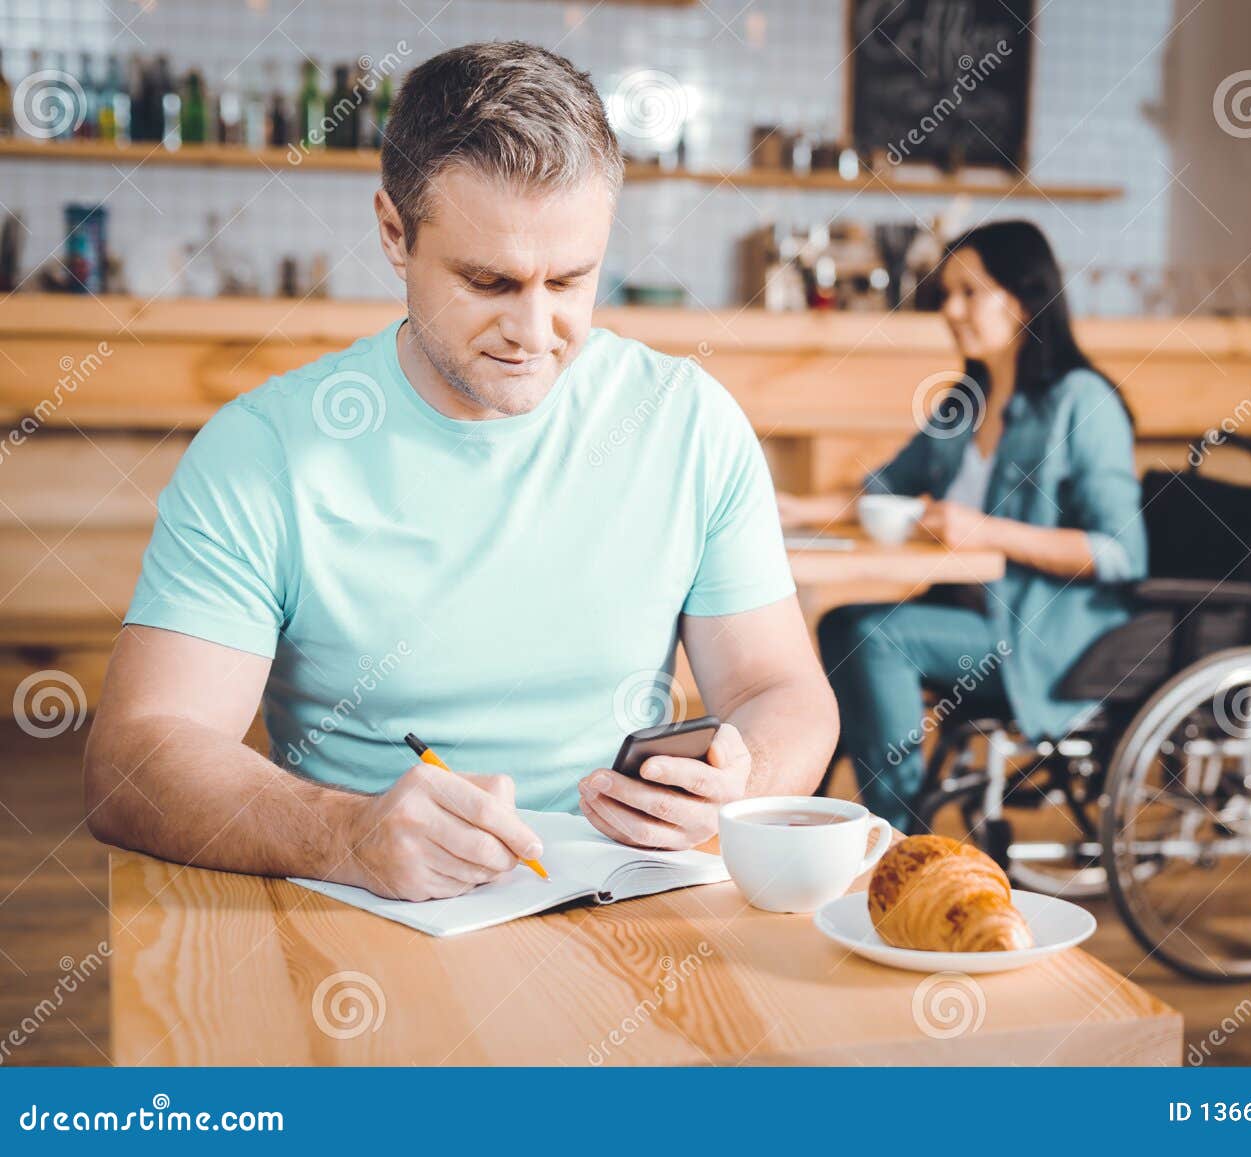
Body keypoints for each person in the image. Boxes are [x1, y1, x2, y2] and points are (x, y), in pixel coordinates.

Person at [84, 42, 838, 901]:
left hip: (628, 904)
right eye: (490, 281)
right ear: (393, 233)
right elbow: (134, 759)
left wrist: (739, 785)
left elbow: (785, 692)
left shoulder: (688, 422)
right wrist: (347, 834)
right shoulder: (263, 451)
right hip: (367, 914)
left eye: (571, 279)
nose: (535, 329)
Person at [779, 221, 1145, 832]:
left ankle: (896, 834)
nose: (949, 310)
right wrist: (792, 508)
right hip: (971, 616)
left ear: (1023, 298)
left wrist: (986, 530)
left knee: (875, 635)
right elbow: (885, 492)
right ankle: (817, 815)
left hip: (1049, 636)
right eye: (947, 293)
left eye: (969, 293)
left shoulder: (1083, 402)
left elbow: (1118, 554)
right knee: (843, 624)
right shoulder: (965, 399)